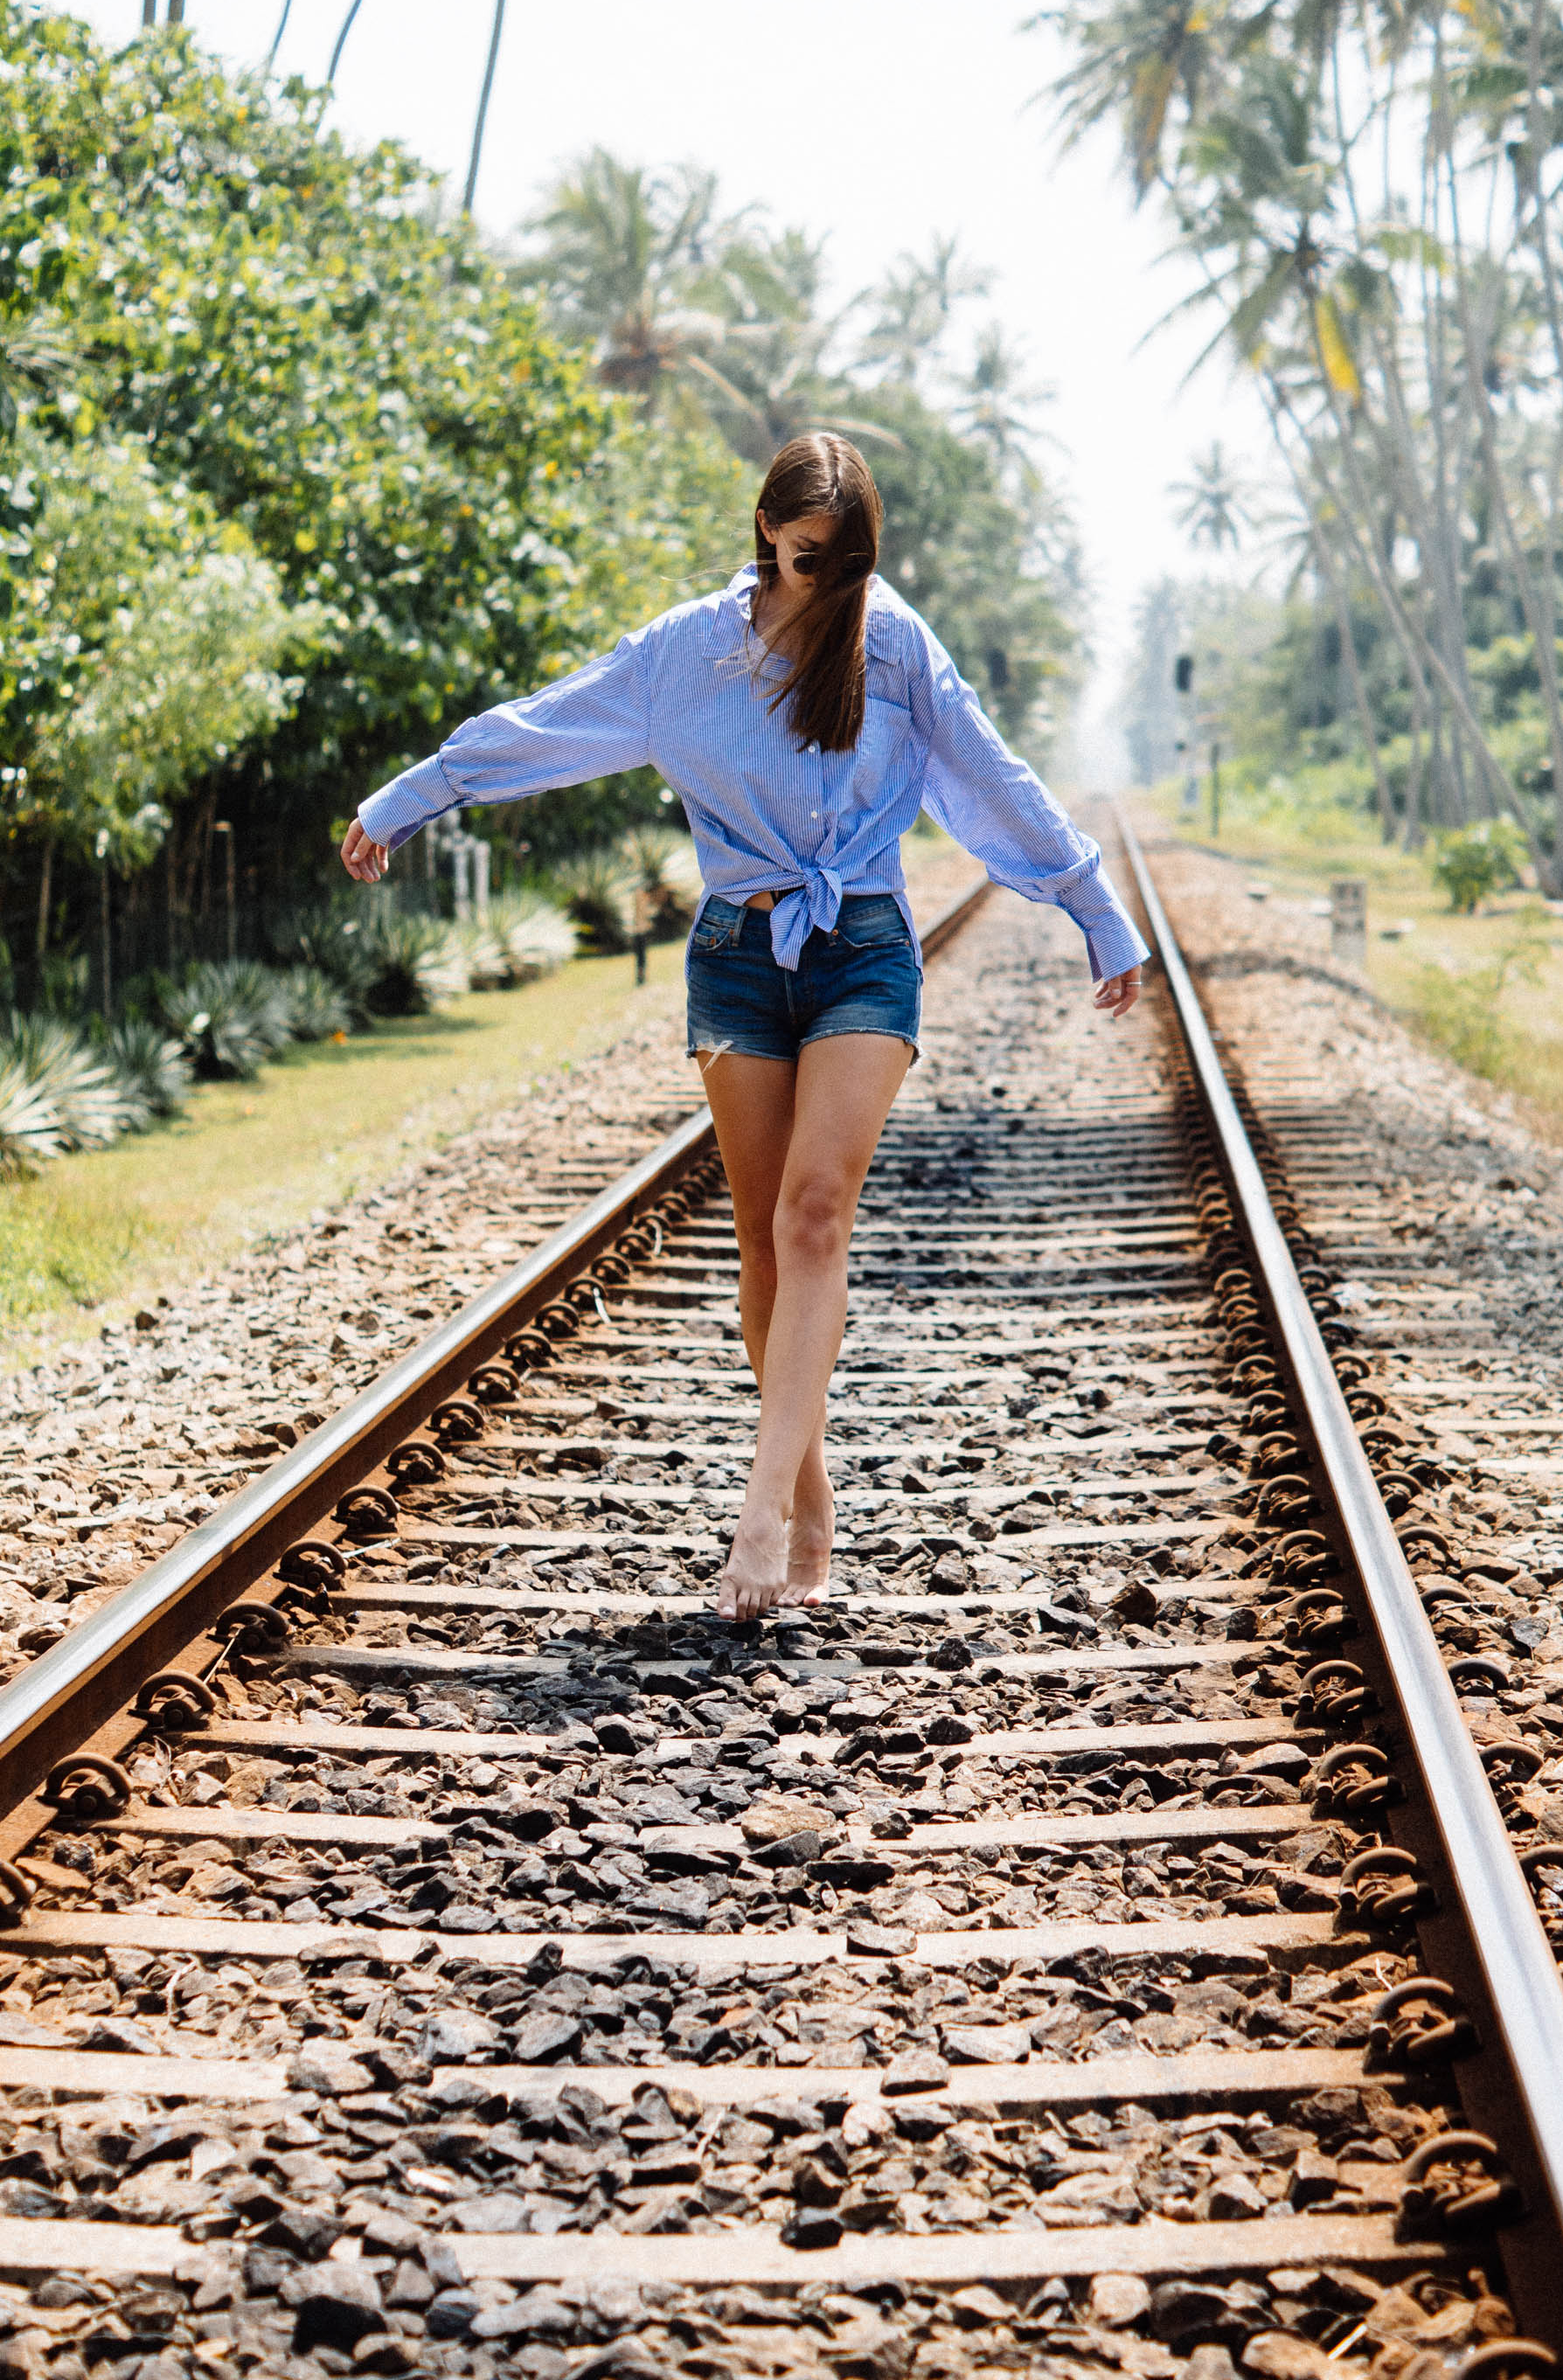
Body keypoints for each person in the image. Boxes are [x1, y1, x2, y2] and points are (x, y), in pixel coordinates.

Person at [341, 432, 1149, 1622]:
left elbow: (992, 773)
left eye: (850, 563)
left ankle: (762, 1511)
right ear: (769, 532)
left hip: (862, 947)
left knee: (816, 1214)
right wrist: (411, 797)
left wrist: (1092, 903)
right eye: (810, 557)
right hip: (736, 958)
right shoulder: (686, 655)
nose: (828, 583)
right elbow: (550, 723)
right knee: (763, 1243)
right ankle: (810, 1492)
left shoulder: (893, 643)